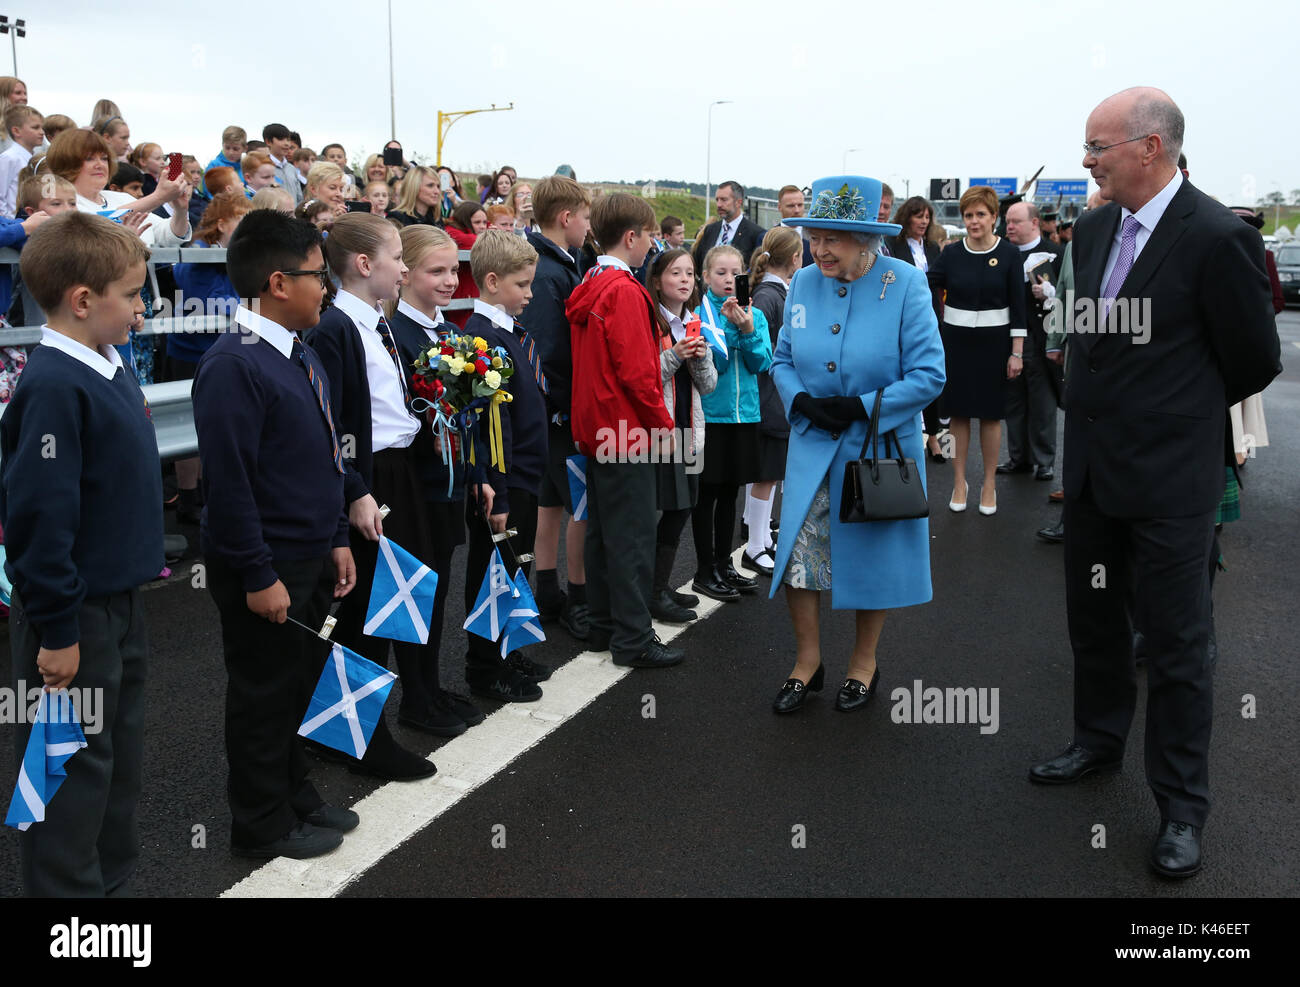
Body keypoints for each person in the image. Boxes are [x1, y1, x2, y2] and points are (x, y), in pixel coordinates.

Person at [1029, 87, 1281, 880]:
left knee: (1177, 645)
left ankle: (1180, 806)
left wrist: (1181, 413)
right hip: (1096, 473)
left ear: (1150, 147)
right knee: (1096, 623)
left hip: (1174, 481)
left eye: (1097, 147)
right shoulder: (1098, 226)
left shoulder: (1215, 236)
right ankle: (1097, 742)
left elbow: (1254, 358)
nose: (1085, 161)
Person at [1, 212, 162, 894]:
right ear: (83, 301)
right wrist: (60, 630)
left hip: (118, 605)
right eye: (131, 294)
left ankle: (108, 891)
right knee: (70, 775)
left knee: (116, 764)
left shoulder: (106, 363)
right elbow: (40, 522)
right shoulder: (52, 387)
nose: (142, 307)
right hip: (75, 618)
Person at [192, 210, 359, 860]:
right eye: (319, 276)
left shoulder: (301, 353)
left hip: (311, 552)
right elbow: (229, 487)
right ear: (278, 281)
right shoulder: (234, 365)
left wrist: (337, 534)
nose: (329, 287)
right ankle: (260, 822)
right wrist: (259, 573)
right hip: (266, 562)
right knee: (263, 694)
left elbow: (325, 457)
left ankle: (296, 793)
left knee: (296, 683)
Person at [768, 174, 944, 714]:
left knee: (872, 559)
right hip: (812, 445)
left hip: (875, 449)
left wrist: (862, 406)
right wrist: (798, 400)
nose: (819, 248)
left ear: (866, 240)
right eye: (814, 236)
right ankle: (807, 662)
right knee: (799, 555)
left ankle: (863, 664)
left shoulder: (907, 284)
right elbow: (781, 360)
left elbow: (929, 375)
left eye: (833, 238)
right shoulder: (801, 282)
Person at [307, 213, 467, 759]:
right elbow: (333, 423)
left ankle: (380, 717)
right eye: (398, 258)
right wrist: (354, 489)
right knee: (362, 614)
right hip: (372, 476)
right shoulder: (338, 329)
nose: (403, 268)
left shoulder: (374, 322)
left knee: (397, 601)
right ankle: (354, 735)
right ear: (364, 264)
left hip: (400, 472)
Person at [567, 193, 684, 668]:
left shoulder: (592, 282)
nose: (654, 243)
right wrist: (664, 428)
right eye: (651, 234)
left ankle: (603, 626)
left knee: (603, 533)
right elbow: (639, 373)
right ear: (631, 236)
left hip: (597, 428)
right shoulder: (626, 290)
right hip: (628, 431)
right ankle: (633, 639)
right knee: (633, 537)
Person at [385, 225, 481, 720]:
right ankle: (415, 698)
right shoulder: (394, 335)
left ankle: (430, 686)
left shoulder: (449, 332)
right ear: (405, 274)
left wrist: (477, 473)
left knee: (438, 586)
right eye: (436, 271)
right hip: (416, 481)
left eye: (453, 271)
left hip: (450, 480)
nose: (449, 281)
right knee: (414, 589)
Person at [460, 231, 552, 701]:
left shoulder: (508, 332)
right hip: (506, 482)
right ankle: (484, 665)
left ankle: (507, 649)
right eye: (522, 284)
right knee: (494, 572)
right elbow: (486, 422)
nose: (530, 293)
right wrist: (495, 485)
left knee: (517, 569)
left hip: (526, 475)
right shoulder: (480, 338)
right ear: (492, 282)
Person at [520, 175, 592, 638]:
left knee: (550, 504)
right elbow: (548, 352)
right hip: (559, 412)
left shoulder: (553, 263)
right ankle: (580, 601)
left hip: (550, 413)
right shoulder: (550, 272)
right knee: (582, 505)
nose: (588, 227)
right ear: (566, 218)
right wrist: (568, 407)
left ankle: (546, 592)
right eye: (584, 218)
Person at [926, 185, 1025, 515]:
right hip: (956, 344)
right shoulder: (951, 254)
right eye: (968, 215)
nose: (973, 221)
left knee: (991, 417)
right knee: (958, 416)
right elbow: (925, 283)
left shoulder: (1010, 254)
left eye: (980, 214)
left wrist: (1017, 352)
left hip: (995, 345)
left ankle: (989, 483)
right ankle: (958, 481)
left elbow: (1019, 306)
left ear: (994, 217)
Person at [690, 243, 772, 600]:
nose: (727, 280)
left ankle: (724, 564)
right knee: (705, 495)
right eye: (719, 273)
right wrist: (730, 326)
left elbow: (761, 363)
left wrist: (748, 328)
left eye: (734, 273)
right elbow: (716, 366)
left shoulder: (755, 313)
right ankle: (704, 569)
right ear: (705, 276)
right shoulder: (701, 313)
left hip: (746, 415)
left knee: (730, 495)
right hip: (711, 416)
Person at [170, 191, 251, 525]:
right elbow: (211, 304)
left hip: (222, 352)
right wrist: (251, 307)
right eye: (241, 222)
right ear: (221, 224)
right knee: (186, 428)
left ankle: (205, 492)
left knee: (215, 427)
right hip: (192, 353)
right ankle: (188, 497)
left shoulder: (236, 253)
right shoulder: (198, 254)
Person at [646, 248, 716, 622]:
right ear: (657, 281)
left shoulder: (694, 321)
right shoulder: (651, 321)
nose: (686, 280)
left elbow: (707, 386)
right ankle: (652, 590)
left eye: (690, 273)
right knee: (669, 507)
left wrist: (700, 355)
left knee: (684, 505)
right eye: (676, 273)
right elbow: (645, 379)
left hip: (691, 429)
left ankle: (660, 584)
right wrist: (674, 353)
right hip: (660, 431)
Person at [744, 225, 803, 575]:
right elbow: (765, 356)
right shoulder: (770, 296)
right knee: (765, 475)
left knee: (768, 473)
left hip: (770, 399)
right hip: (768, 399)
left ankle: (763, 536)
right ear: (795, 258)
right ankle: (754, 545)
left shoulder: (772, 293)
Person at [1001, 201, 1063, 481]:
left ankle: (1044, 460)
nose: (1009, 227)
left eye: (1015, 221)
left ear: (1035, 223)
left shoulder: (1056, 254)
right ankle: (1019, 457)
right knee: (1014, 401)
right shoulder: (1002, 253)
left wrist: (1050, 295)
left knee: (1041, 401)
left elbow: (1071, 295)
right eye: (1007, 221)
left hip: (1040, 337)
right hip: (1009, 338)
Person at [52, 129, 192, 248]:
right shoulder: (60, 203)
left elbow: (168, 235)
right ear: (66, 163)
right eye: (89, 159)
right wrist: (158, 197)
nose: (100, 164)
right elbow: (97, 225)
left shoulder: (123, 198)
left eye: (104, 158)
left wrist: (180, 211)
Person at [890, 195, 946, 460]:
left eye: (927, 217)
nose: (923, 221)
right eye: (918, 215)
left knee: (929, 375)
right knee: (905, 378)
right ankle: (907, 438)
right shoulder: (894, 245)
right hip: (901, 318)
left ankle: (934, 438)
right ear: (906, 217)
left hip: (931, 316)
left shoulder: (933, 248)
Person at [692, 180, 765, 269]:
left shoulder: (755, 234)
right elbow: (699, 264)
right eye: (717, 200)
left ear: (738, 202)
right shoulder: (710, 230)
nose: (719, 204)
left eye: (724, 200)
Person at [444, 199, 486, 328]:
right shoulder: (451, 231)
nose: (483, 226)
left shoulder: (481, 233)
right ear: (464, 220)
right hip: (458, 298)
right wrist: (490, 236)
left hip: (474, 297)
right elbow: (465, 240)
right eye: (477, 222)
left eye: (485, 222)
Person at [0, 104, 43, 218]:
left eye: (42, 127)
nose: (41, 132)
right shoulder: (9, 158)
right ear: (16, 131)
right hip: (13, 221)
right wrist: (7, 221)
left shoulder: (35, 159)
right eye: (35, 127)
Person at [777, 184, 814, 267]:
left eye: (800, 205)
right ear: (779, 207)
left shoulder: (815, 237)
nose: (797, 210)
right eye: (791, 206)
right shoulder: (766, 238)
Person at [262, 123, 300, 203]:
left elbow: (299, 197)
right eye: (281, 139)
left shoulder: (291, 168)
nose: (286, 144)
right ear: (268, 142)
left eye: (288, 140)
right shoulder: (262, 167)